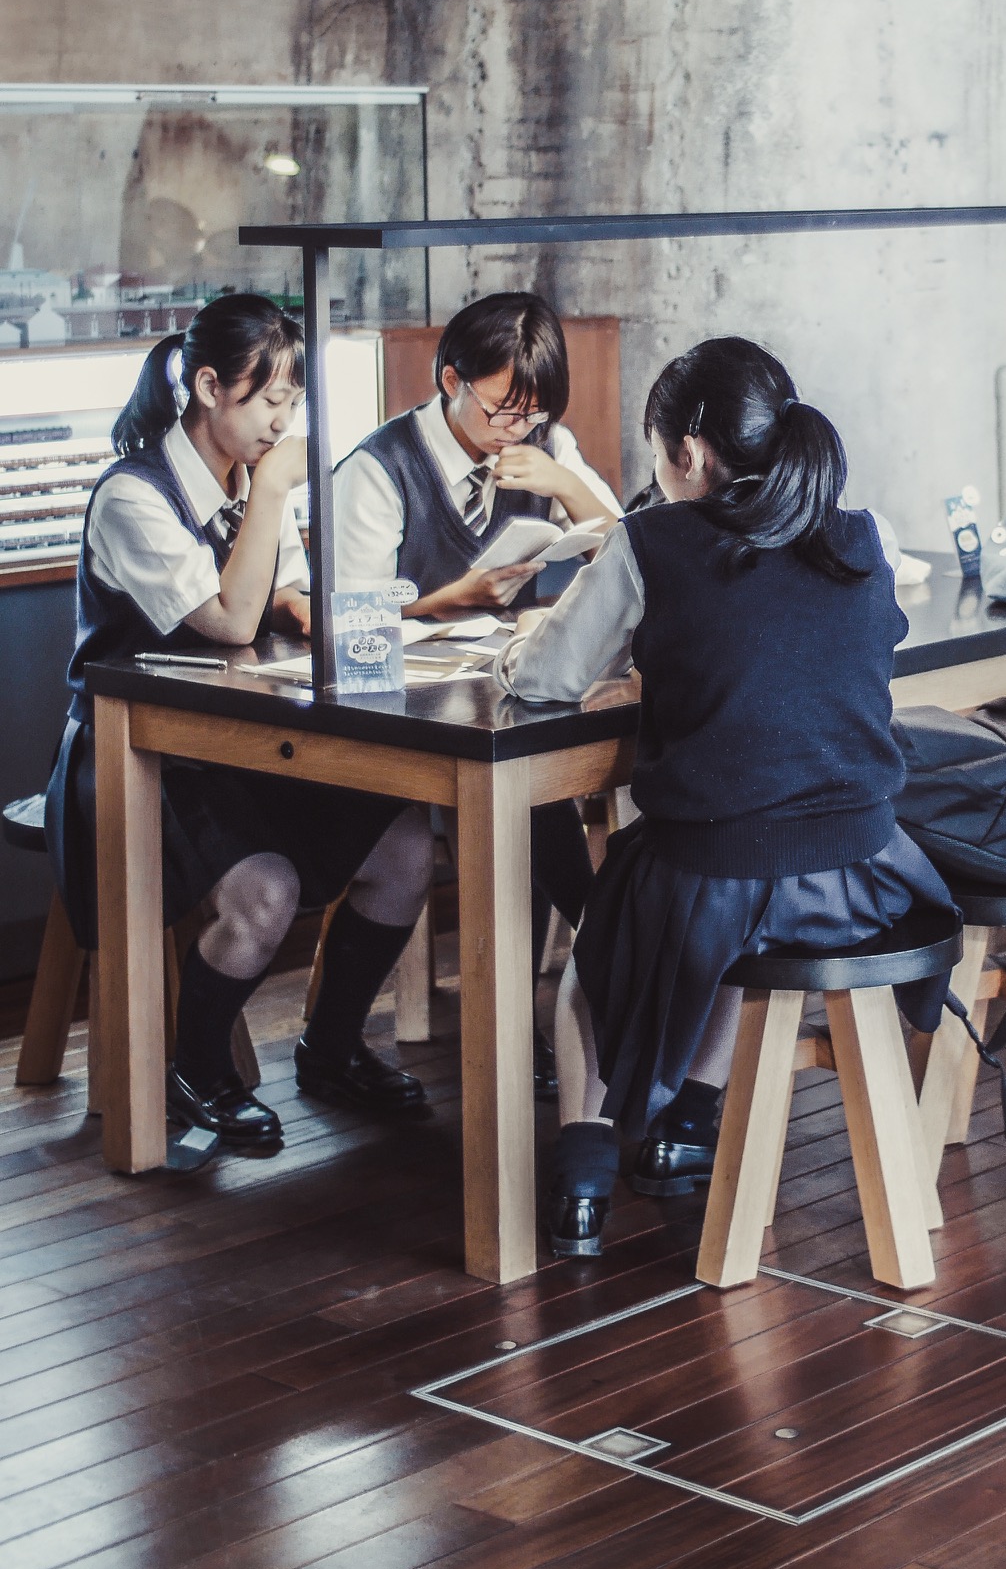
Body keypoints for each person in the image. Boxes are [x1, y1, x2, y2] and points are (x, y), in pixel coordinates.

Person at [499, 334, 955, 1258]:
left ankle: (584, 1174)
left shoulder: (650, 541)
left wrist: (590, 661)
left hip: (724, 875)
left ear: (691, 453)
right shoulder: (859, 529)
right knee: (722, 913)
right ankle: (685, 1127)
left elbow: (546, 678)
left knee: (605, 954)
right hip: (867, 869)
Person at [44, 292, 436, 1153]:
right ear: (209, 386)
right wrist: (274, 493)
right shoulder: (132, 496)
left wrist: (324, 612)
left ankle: (329, 1050)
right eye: (268, 402)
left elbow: (277, 594)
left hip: (238, 742)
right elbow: (225, 617)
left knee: (406, 845)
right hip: (134, 755)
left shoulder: (247, 483)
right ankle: (197, 1073)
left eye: (292, 404)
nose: (280, 422)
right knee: (267, 891)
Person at [333, 293, 623, 1092]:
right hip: (397, 707)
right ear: (451, 379)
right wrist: (450, 599)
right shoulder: (376, 468)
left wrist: (565, 481)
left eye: (533, 415)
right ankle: (612, 953)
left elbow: (629, 549)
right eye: (502, 412)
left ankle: (574, 986)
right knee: (529, 810)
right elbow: (351, 620)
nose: (516, 430)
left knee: (534, 799)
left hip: (499, 692)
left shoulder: (546, 441)